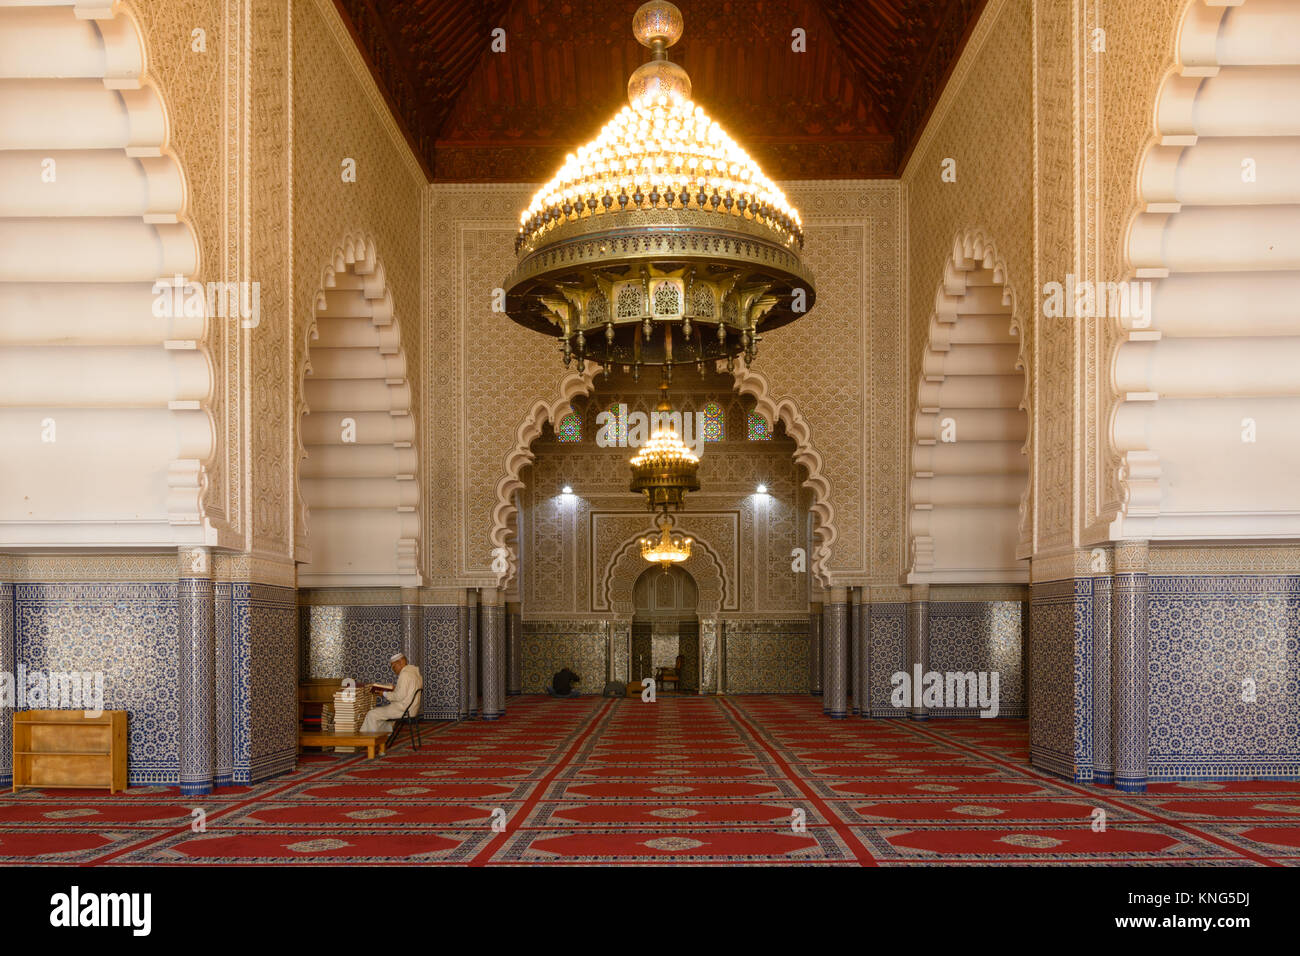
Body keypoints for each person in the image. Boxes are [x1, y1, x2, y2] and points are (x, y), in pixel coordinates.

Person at [361, 652, 422, 733]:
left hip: (404, 710)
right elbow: (407, 692)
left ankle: (369, 740)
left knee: (372, 714)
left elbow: (399, 696)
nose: (393, 669)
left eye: (393, 666)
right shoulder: (415, 672)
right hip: (412, 709)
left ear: (400, 662)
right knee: (378, 712)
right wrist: (394, 689)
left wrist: (383, 693)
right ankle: (385, 734)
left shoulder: (405, 674)